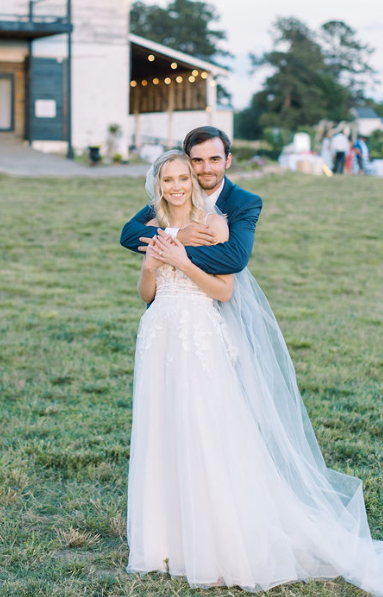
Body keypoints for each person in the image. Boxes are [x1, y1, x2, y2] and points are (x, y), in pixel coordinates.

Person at [126, 150, 383, 593]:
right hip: (158, 333)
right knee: (162, 428)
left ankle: (220, 544)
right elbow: (146, 291)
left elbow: (224, 290)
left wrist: (183, 260)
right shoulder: (149, 229)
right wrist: (151, 264)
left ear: (193, 180)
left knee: (205, 431)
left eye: (183, 178)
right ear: (158, 184)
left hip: (198, 334)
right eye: (168, 179)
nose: (177, 186)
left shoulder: (214, 224)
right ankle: (168, 540)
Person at [120, 126, 263, 276]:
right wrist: (178, 235)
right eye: (198, 160)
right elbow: (129, 234)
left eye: (214, 159)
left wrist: (172, 253)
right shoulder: (175, 194)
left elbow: (235, 258)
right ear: (187, 162)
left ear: (228, 161)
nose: (206, 169)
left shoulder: (245, 202)